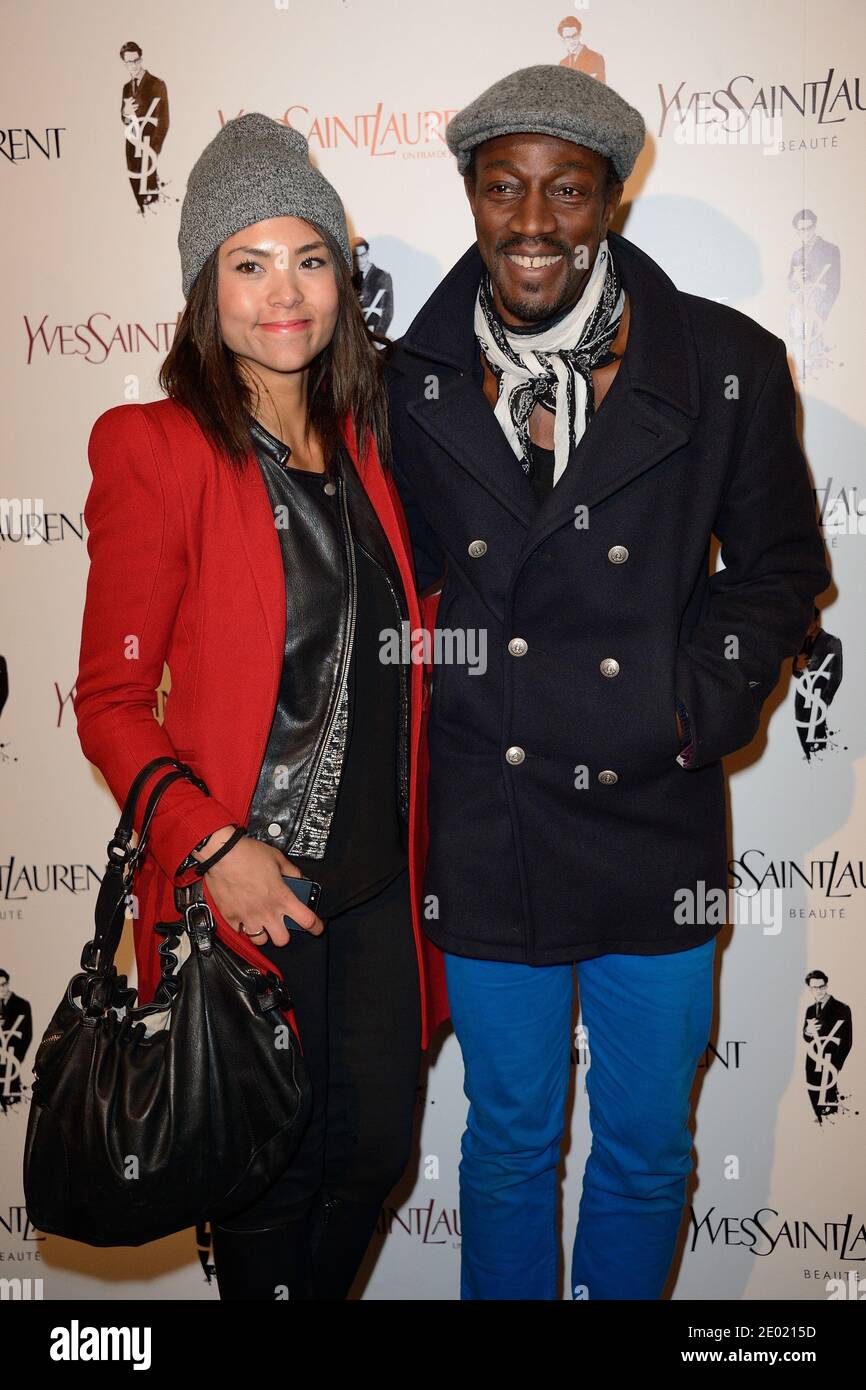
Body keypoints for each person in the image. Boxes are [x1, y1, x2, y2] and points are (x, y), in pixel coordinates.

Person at [385, 64, 831, 1299]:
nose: (533, 223)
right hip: (489, 814)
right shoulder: (405, 380)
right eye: (502, 189)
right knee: (508, 1142)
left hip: (653, 812)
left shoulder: (724, 364)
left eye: (566, 190)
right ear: (472, 198)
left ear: (611, 200)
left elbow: (780, 574)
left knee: (642, 1155)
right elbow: (392, 595)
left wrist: (685, 705)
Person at [73, 112, 448, 1300]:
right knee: (265, 1183)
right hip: (245, 899)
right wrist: (215, 846)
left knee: (376, 1153)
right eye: (248, 262)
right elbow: (109, 702)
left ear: (343, 275)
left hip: (378, 897)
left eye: (309, 257)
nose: (282, 292)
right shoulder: (157, 446)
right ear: (203, 287)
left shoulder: (372, 444)